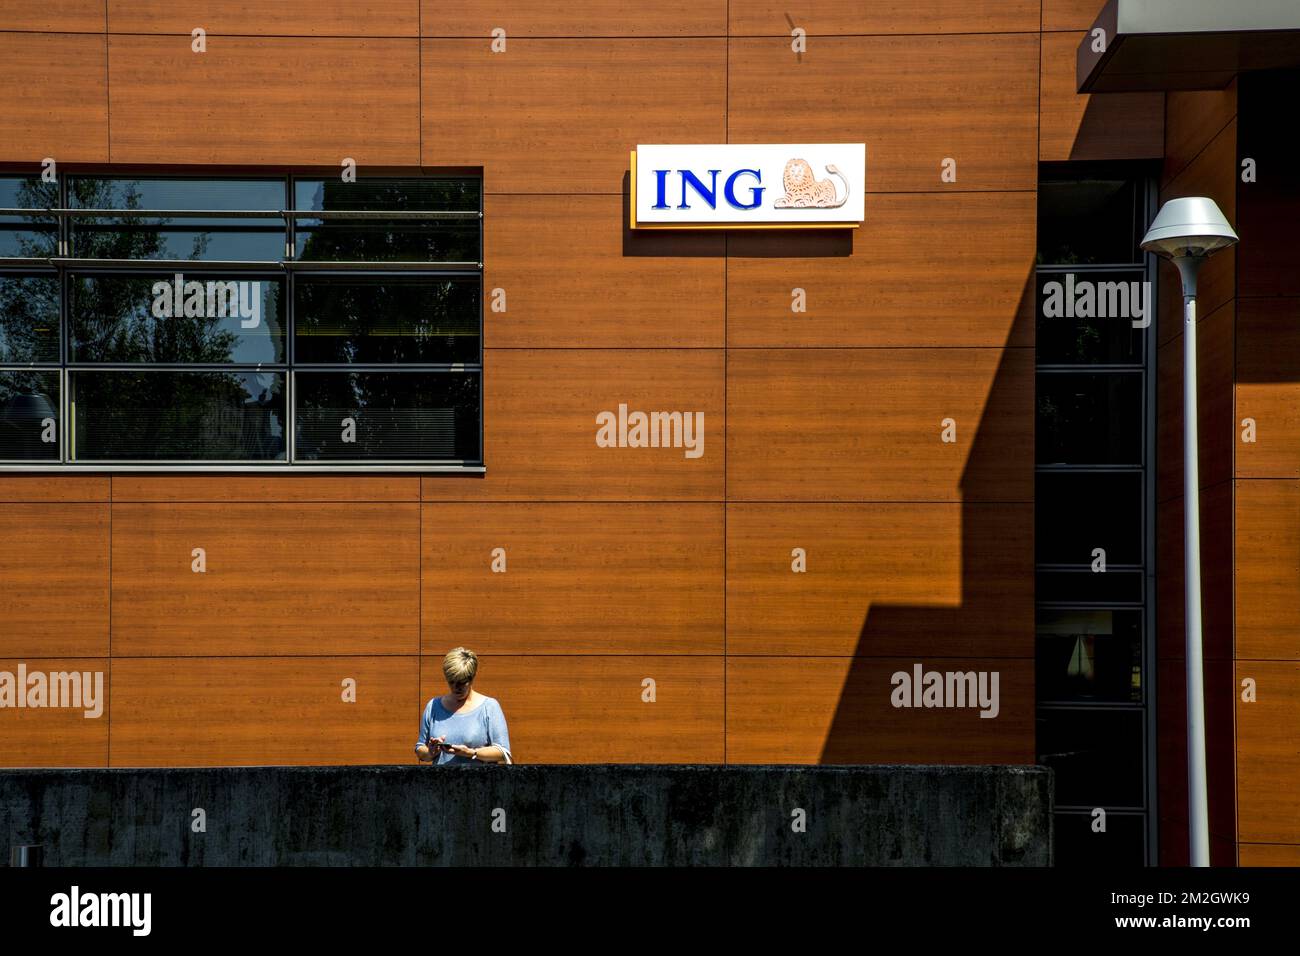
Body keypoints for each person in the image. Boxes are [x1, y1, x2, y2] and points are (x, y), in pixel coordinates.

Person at [415, 647, 512, 765]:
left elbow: (503, 752)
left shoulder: (489, 707)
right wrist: (431, 752)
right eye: (451, 682)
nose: (456, 687)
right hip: (441, 781)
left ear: (472, 678)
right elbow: (420, 749)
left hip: (478, 782)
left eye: (461, 682)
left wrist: (471, 753)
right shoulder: (433, 706)